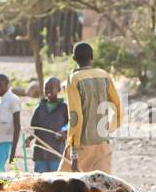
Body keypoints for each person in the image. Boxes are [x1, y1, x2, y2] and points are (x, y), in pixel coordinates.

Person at [66, 41, 122, 173]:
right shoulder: (104, 75)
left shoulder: (74, 78)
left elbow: (75, 117)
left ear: (74, 59)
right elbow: (117, 106)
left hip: (83, 145)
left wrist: (74, 154)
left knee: (69, 187)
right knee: (103, 186)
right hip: (103, 141)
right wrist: (109, 127)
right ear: (92, 57)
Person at [29, 77, 68, 172]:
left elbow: (69, 124)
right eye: (46, 88)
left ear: (58, 90)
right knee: (39, 179)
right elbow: (35, 128)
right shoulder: (39, 107)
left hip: (56, 151)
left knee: (56, 180)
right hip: (40, 152)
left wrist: (63, 131)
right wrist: (29, 139)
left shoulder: (64, 107)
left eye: (51, 88)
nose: (48, 91)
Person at [0, 73, 22, 171]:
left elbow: (17, 126)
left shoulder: (13, 100)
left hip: (6, 141)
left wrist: (13, 152)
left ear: (1, 85)